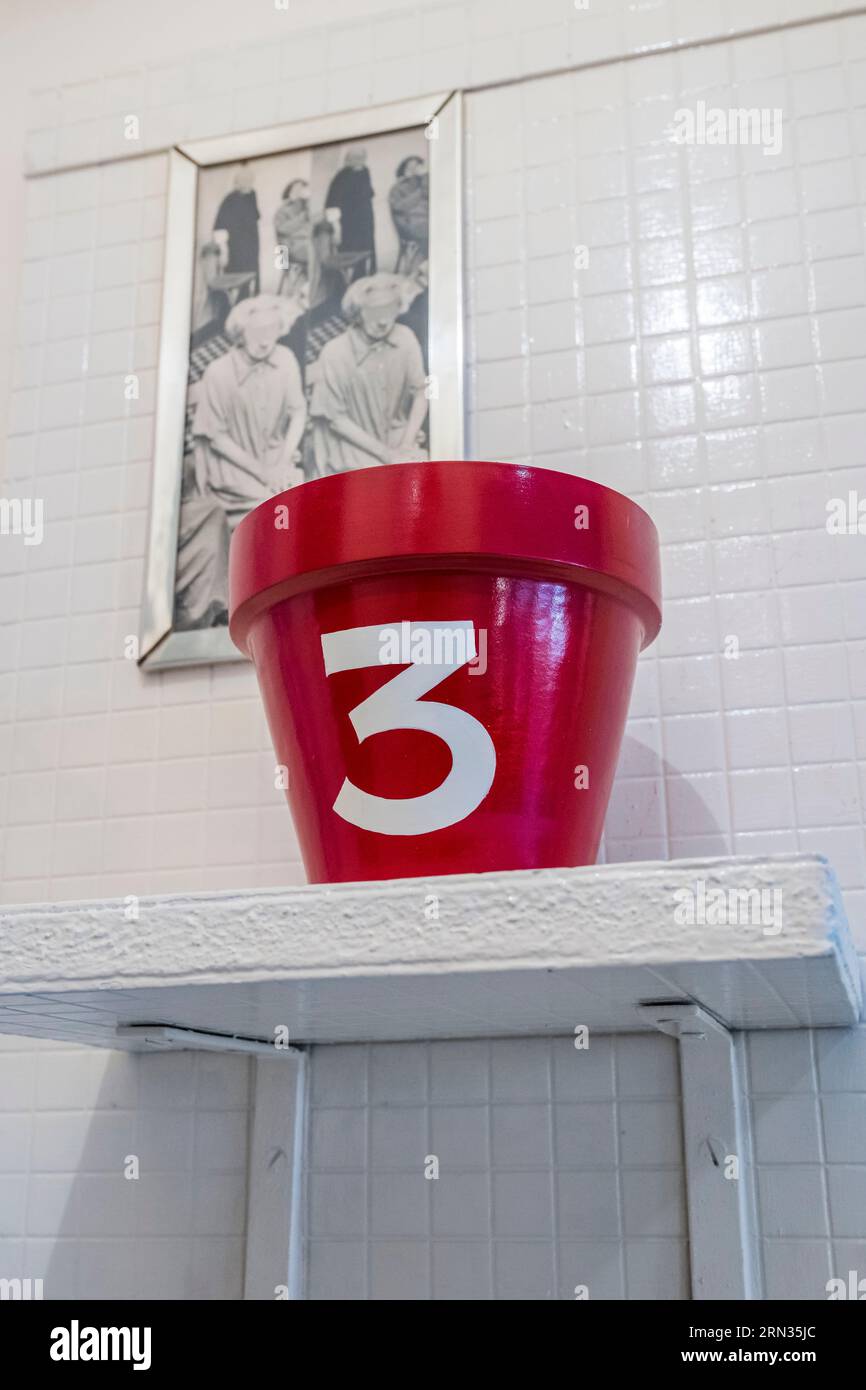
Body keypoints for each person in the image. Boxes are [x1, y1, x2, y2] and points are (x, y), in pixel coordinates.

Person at [191, 294, 307, 526]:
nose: (265, 342)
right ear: (240, 333)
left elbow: (298, 412)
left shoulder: (286, 359)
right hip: (235, 468)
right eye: (256, 333)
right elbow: (217, 439)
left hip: (276, 460)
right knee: (277, 511)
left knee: (305, 503)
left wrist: (283, 463)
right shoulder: (218, 372)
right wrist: (265, 473)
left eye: (272, 330)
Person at [310, 273, 428, 475]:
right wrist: (387, 455)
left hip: (396, 440)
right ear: (358, 313)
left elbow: (421, 392)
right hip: (352, 447)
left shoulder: (406, 338)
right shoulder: (335, 352)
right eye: (374, 312)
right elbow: (337, 421)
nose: (383, 321)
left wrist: (407, 444)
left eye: (389, 310)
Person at [324, 147, 376, 277]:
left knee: (367, 252)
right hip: (348, 223)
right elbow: (332, 204)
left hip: (366, 220)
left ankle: (366, 279)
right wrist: (336, 228)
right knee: (352, 255)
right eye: (356, 158)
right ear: (348, 159)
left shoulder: (365, 171)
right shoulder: (341, 177)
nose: (360, 160)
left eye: (362, 157)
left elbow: (368, 193)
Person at [213, 163, 260, 293]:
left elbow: (255, 217)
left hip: (251, 246)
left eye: (250, 180)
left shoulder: (252, 196)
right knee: (239, 282)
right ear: (238, 182)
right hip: (235, 249)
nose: (249, 183)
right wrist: (223, 251)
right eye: (245, 181)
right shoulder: (230, 200)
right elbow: (220, 228)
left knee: (253, 278)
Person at [388, 155, 428, 275]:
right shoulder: (397, 188)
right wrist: (419, 193)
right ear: (403, 170)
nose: (414, 169)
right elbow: (399, 207)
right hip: (410, 225)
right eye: (410, 167)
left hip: (427, 221)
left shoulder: (425, 182)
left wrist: (425, 177)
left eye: (417, 166)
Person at [274, 178, 310, 296]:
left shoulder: (307, 206)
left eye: (302, 189)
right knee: (314, 253)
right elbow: (282, 229)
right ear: (289, 192)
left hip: (304, 245)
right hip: (287, 251)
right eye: (296, 189)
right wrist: (303, 219)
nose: (299, 192)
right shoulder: (283, 210)